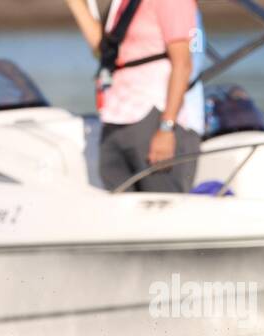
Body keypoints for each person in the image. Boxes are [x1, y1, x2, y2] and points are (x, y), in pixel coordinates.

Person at [65, 0, 205, 192]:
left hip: (154, 118)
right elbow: (105, 51)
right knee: (118, 210)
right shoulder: (121, 3)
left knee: (162, 208)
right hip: (116, 117)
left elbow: (183, 64)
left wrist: (166, 128)